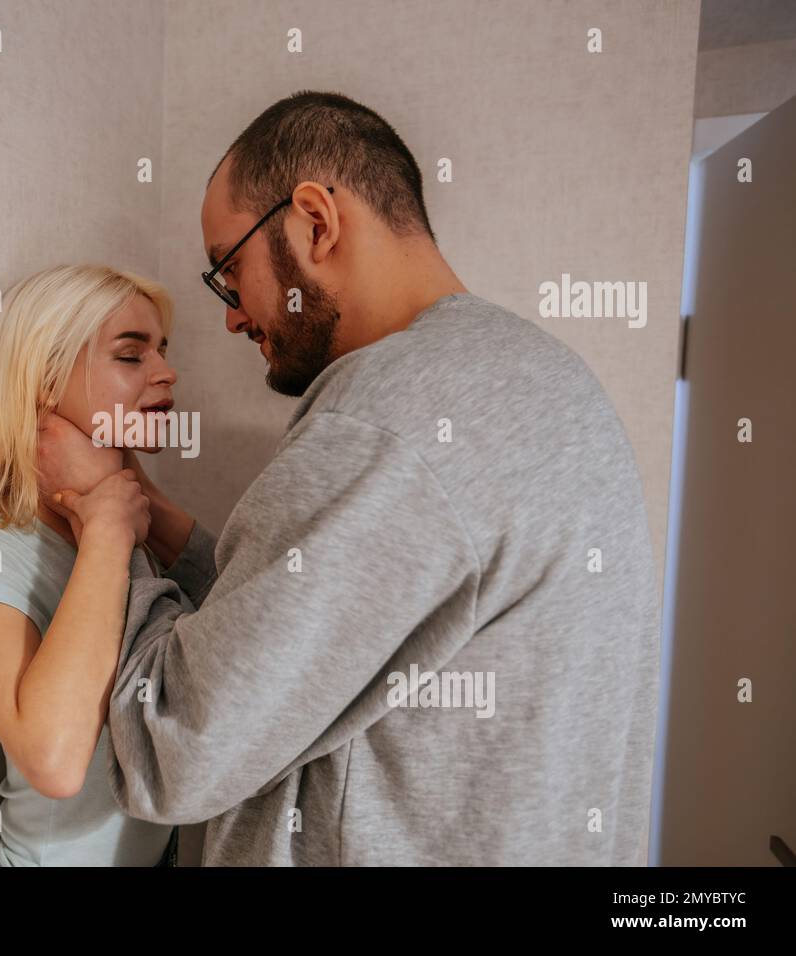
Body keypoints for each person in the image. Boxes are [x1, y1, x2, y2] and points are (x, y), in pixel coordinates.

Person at [37, 90, 662, 865]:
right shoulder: (545, 379)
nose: (232, 316)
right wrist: (156, 518)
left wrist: (108, 524)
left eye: (228, 272)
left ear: (315, 222)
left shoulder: (388, 419)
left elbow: (170, 745)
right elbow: (340, 624)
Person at [0, 263, 188, 866]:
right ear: (44, 378)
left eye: (162, 350)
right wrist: (110, 531)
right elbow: (55, 763)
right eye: (131, 355)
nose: (167, 371)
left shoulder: (118, 533)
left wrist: (121, 500)